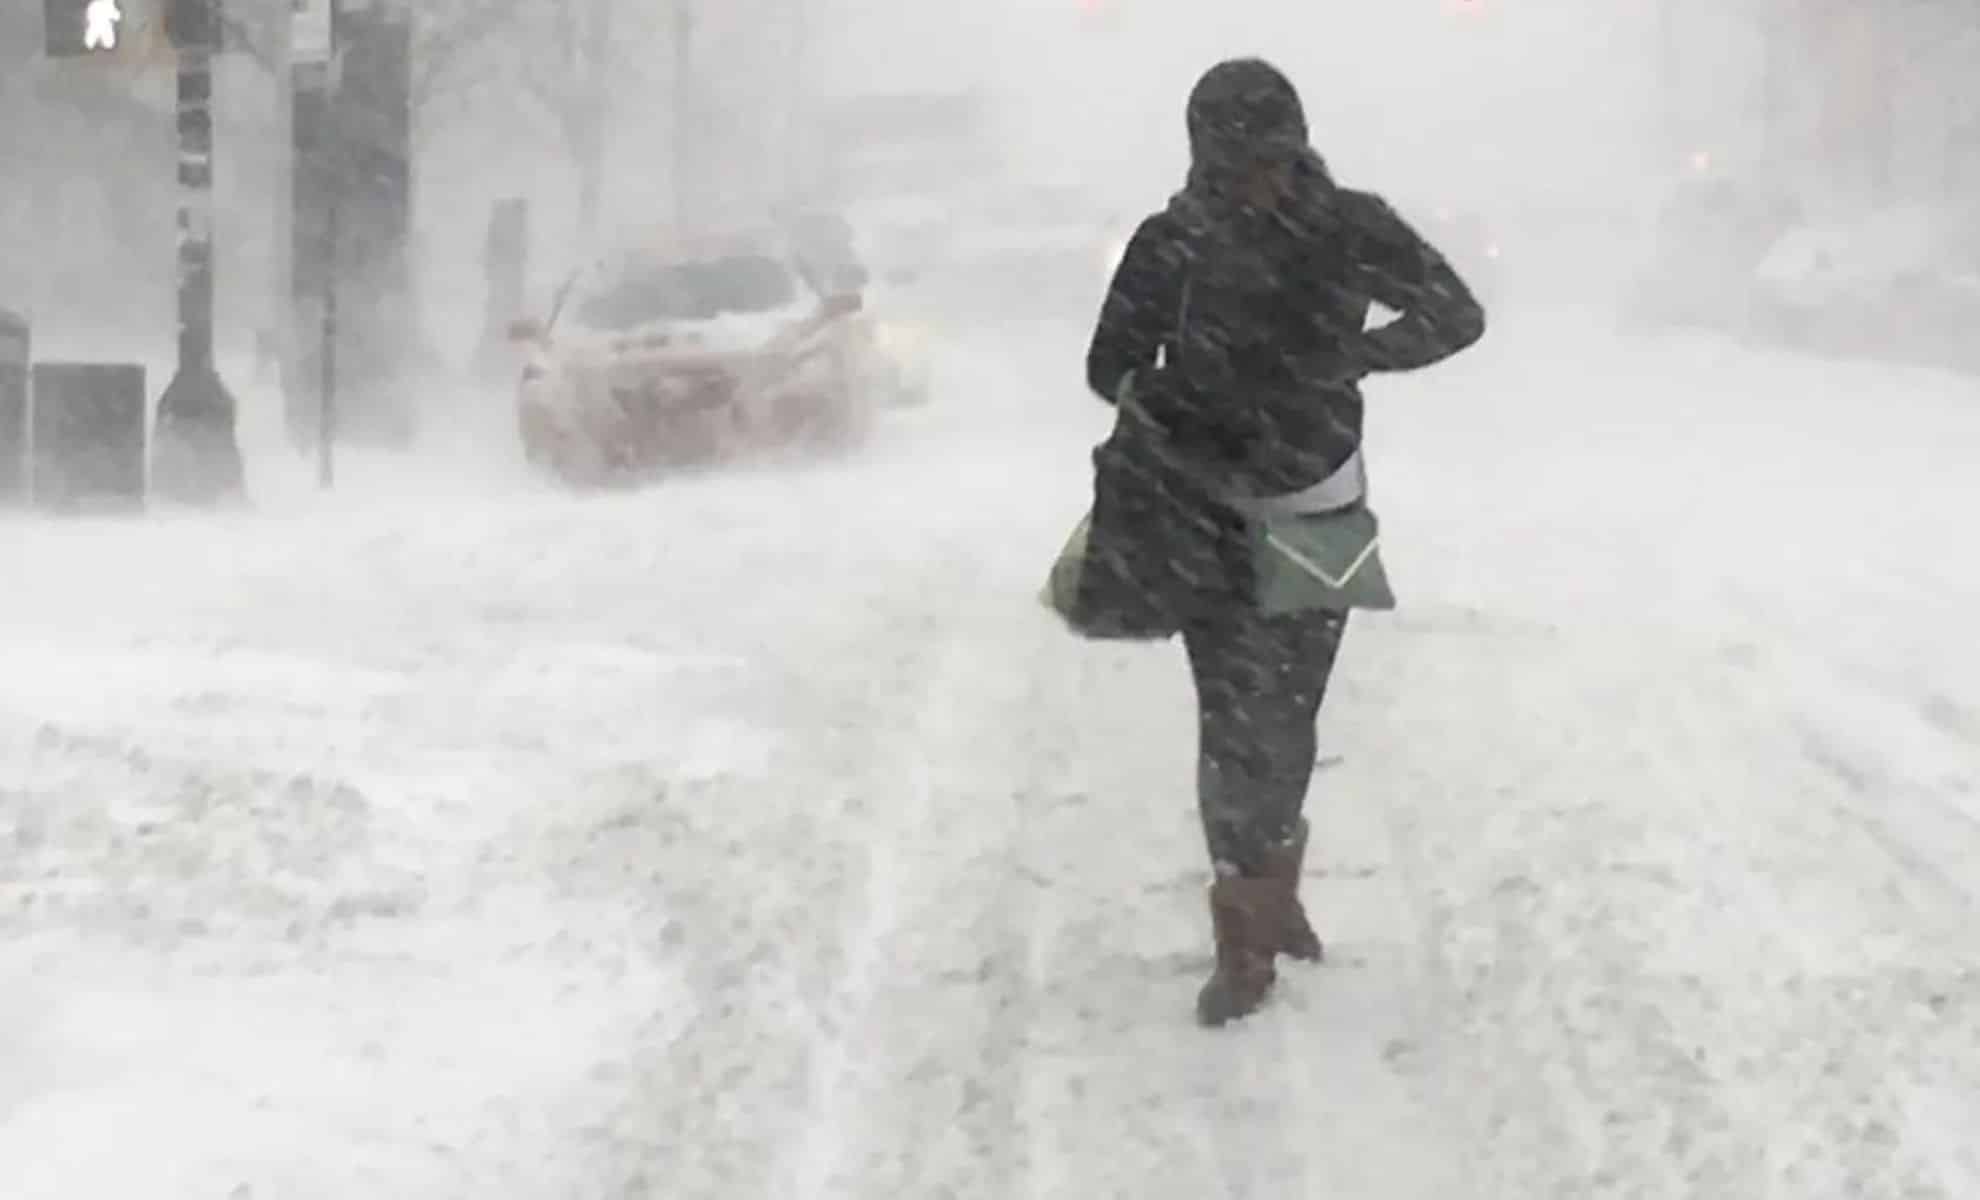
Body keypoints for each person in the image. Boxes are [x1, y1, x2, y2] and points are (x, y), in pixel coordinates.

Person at [1075, 58, 1485, 1026]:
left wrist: (1358, 354)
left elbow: (1457, 314)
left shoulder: (1347, 225)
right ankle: (1243, 936)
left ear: (1295, 146)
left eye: (1265, 156)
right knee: (1231, 719)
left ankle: (1272, 889)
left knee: (1288, 717)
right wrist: (1175, 397)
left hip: (1320, 501)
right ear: (1203, 154)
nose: (1252, 177)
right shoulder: (1172, 241)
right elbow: (1109, 367)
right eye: (1234, 159)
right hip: (1203, 510)